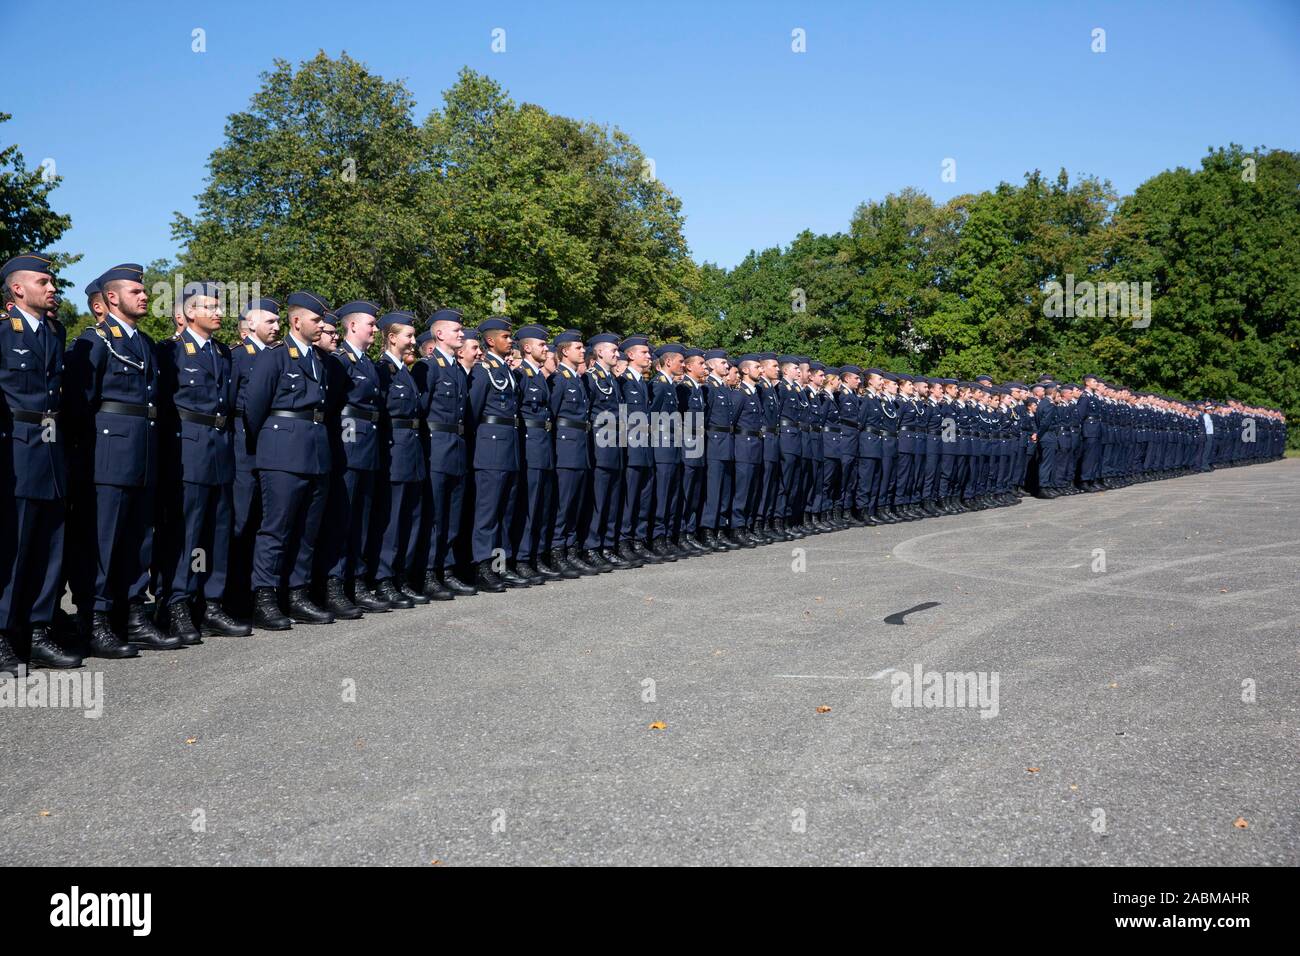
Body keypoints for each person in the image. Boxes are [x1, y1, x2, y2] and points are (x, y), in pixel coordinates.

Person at [64, 263, 176, 657]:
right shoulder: (95, 341)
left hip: (143, 452)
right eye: (135, 290)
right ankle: (94, 620)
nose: (144, 295)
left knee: (138, 538)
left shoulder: (144, 343)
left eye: (144, 290)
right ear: (112, 298)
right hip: (107, 456)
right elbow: (78, 407)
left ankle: (132, 613)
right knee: (103, 539)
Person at [154, 281, 250, 642]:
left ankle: (212, 602)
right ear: (189, 312)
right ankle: (177, 601)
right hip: (188, 449)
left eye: (218, 306)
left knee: (217, 529)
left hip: (220, 449)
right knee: (187, 530)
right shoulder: (171, 351)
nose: (218, 313)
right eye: (209, 307)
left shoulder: (223, 353)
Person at [0, 254, 81, 673]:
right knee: (13, 548)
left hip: (51, 449)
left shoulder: (53, 330)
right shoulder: (2, 332)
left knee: (50, 545)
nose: (52, 288)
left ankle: (38, 631)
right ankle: (3, 637)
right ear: (18, 289)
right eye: (43, 281)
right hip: (17, 446)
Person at [242, 291, 335, 629]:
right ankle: (264, 598)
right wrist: (270, 448)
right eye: (316, 319)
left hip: (315, 453)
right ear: (297, 321)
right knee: (276, 530)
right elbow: (254, 410)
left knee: (307, 532)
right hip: (282, 454)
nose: (321, 325)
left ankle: (297, 595)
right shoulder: (275, 357)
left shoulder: (319, 360)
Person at [322, 300, 388, 615]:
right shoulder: (340, 360)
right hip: (348, 445)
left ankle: (357, 581)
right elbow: (331, 406)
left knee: (360, 519)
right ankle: (334, 585)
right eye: (371, 324)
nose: (376, 329)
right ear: (352, 326)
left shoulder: (366, 362)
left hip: (368, 445)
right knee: (341, 520)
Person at [370, 311, 430, 608]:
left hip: (412, 452)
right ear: (391, 338)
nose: (413, 341)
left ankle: (401, 576)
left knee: (412, 518)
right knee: (392, 520)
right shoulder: (383, 370)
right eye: (408, 335)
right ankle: (384, 578)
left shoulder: (405, 371)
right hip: (395, 451)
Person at [228, 297, 281, 617]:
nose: (277, 327)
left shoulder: (277, 357)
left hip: (271, 447)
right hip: (243, 445)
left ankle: (259, 591)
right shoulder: (238, 357)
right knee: (242, 520)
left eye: (278, 322)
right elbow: (234, 402)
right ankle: (234, 594)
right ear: (250, 325)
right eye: (270, 322)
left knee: (265, 519)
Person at [467, 317, 528, 592]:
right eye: (505, 336)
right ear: (490, 341)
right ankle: (483, 567)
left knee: (505, 511)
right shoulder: (484, 371)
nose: (510, 340)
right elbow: (473, 412)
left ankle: (500, 567)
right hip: (491, 448)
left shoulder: (506, 371)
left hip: (509, 447)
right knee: (488, 513)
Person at [419, 308, 475, 598]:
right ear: (439, 334)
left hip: (457, 447)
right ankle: (429, 572)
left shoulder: (456, 369)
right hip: (437, 446)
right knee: (436, 514)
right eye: (457, 330)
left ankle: (447, 569)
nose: (462, 334)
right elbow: (422, 409)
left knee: (453, 513)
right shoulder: (430, 367)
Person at [548, 330, 600, 573]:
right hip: (565, 449)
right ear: (564, 351)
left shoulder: (578, 380)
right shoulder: (558, 380)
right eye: (578, 348)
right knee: (564, 504)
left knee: (576, 504)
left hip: (580, 448)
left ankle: (570, 548)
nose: (582, 351)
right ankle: (558, 551)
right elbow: (552, 416)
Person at [582, 333, 632, 568]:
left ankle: (608, 545)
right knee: (599, 500)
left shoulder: (613, 380)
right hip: (601, 446)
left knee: (613, 500)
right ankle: (592, 547)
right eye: (612, 350)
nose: (617, 354)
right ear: (599, 352)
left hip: (616, 447)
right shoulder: (591, 378)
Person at [617, 335, 658, 565]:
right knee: (630, 498)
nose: (649, 357)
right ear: (631, 355)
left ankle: (639, 540)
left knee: (643, 496)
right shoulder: (623, 383)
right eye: (645, 352)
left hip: (646, 448)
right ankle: (624, 541)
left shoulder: (643, 383)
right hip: (632, 448)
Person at [648, 343, 686, 559]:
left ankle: (666, 537)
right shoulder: (659, 385)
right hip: (662, 446)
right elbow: (651, 418)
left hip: (672, 446)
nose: (683, 365)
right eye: (680, 361)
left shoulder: (669, 385)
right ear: (668, 361)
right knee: (662, 495)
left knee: (671, 494)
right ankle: (657, 538)